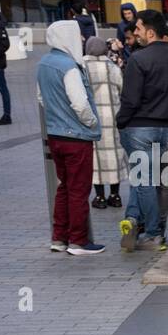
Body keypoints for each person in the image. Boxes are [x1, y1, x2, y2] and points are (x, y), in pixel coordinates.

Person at [117, 10, 168, 253]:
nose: (135, 32)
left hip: (139, 127)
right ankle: (143, 224)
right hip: (165, 129)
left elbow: (130, 99)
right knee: (159, 182)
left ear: (150, 31)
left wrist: (121, 121)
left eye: (137, 28)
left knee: (143, 181)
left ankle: (151, 234)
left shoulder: (139, 59)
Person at [38, 21, 103, 255]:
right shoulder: (69, 67)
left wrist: (57, 116)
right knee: (79, 189)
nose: (82, 40)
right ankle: (78, 240)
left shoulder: (44, 63)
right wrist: (92, 122)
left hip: (55, 135)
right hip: (76, 137)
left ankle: (59, 237)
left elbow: (41, 98)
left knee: (64, 188)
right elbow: (80, 103)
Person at [83, 36, 126, 209]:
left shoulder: (83, 67)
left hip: (92, 119)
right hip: (112, 116)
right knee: (114, 156)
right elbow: (122, 88)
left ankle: (99, 197)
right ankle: (115, 195)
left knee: (96, 158)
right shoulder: (112, 67)